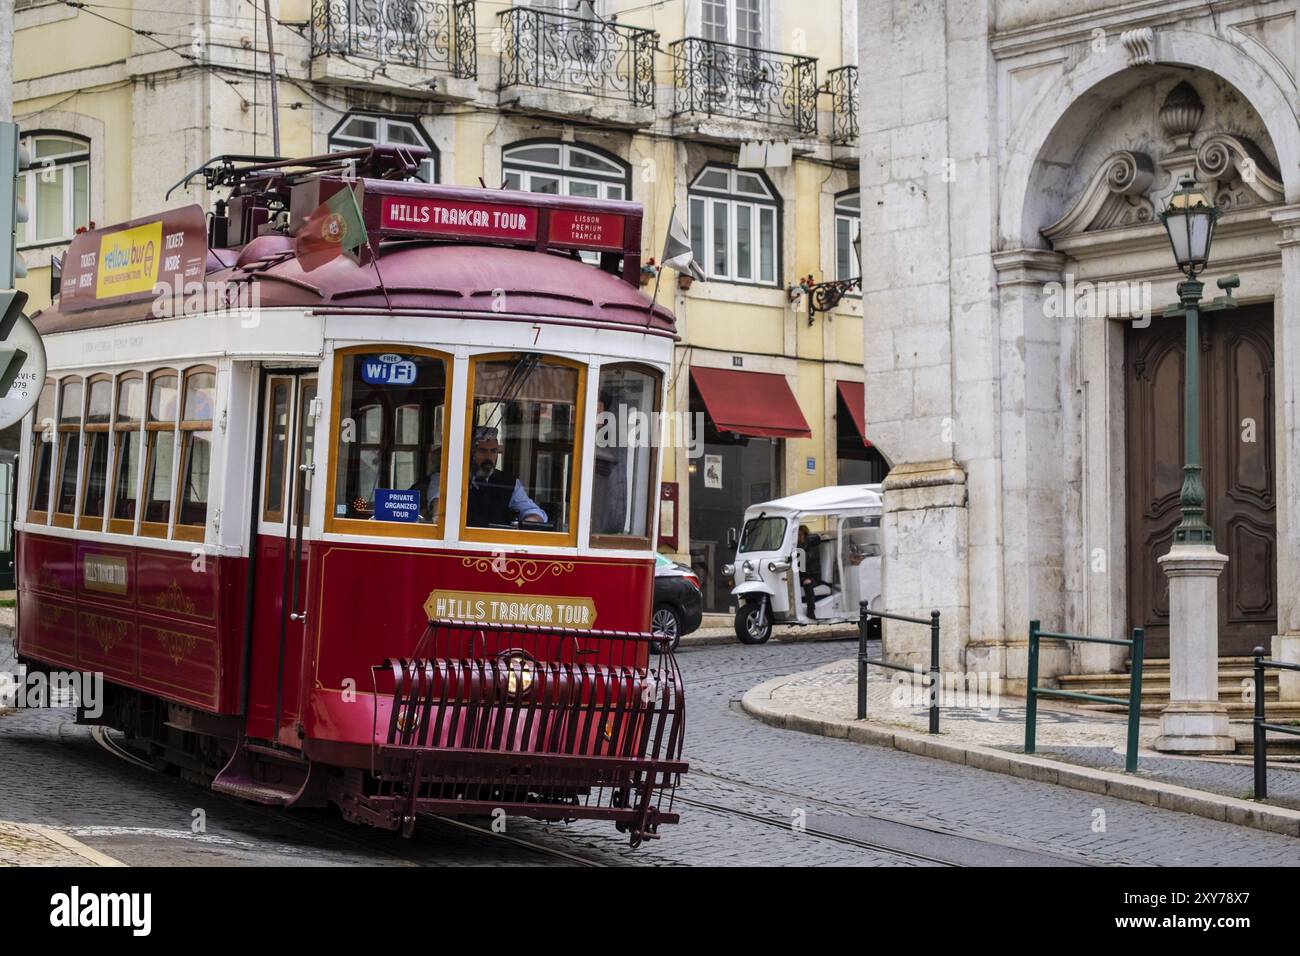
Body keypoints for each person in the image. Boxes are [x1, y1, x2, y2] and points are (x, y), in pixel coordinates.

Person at [465, 426, 548, 527]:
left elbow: (532, 511)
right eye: (483, 451)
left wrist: (531, 520)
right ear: (472, 452)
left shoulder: (509, 483)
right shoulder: (457, 478)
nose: (489, 457)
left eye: (493, 451)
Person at [797, 524, 825, 619]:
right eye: (797, 535)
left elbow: (806, 558)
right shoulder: (798, 547)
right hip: (802, 575)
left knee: (807, 583)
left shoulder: (813, 547)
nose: (798, 538)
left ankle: (811, 611)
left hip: (813, 576)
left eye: (800, 535)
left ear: (805, 535)